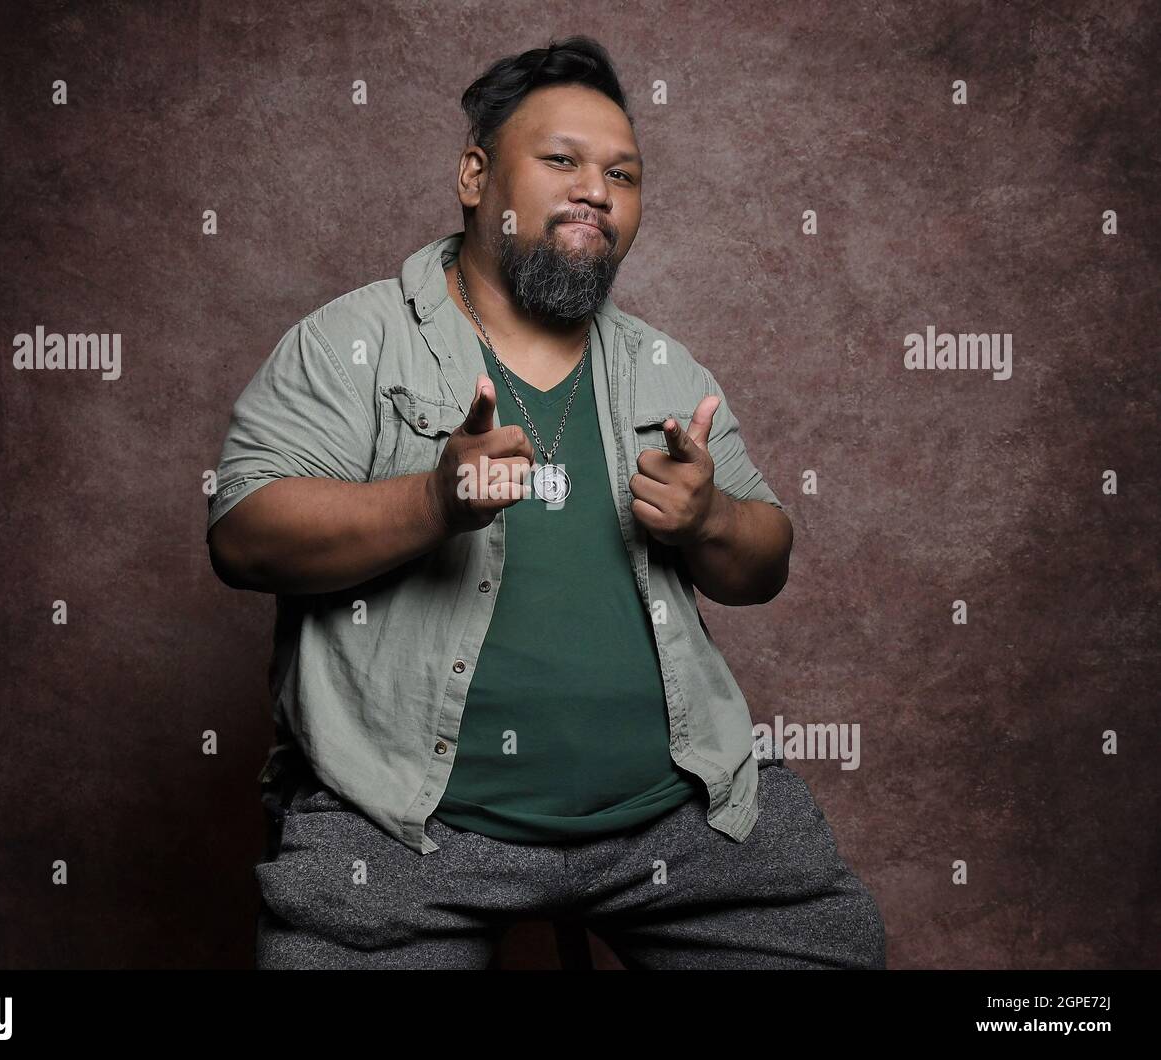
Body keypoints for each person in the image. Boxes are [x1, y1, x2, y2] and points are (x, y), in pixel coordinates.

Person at [206, 35, 886, 970]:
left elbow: (764, 560)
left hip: (678, 822)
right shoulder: (352, 343)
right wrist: (435, 504)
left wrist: (712, 519)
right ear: (477, 177)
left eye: (623, 173)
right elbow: (243, 535)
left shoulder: (663, 367)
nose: (596, 190)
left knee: (831, 952)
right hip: (406, 826)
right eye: (561, 160)